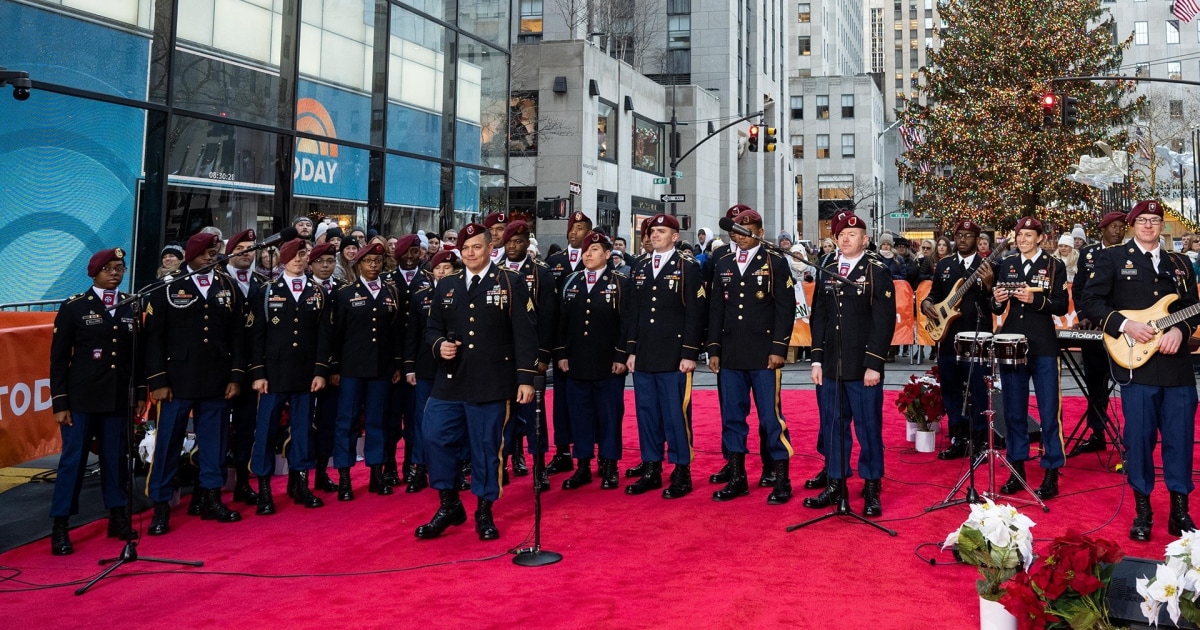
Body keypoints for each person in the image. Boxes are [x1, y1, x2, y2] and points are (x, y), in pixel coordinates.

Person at [1080, 199, 1200, 541]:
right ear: (1133, 224)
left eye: (1155, 220)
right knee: (1139, 440)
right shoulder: (1112, 257)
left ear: (1162, 226)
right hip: (1136, 365)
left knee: (1179, 441)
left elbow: (1191, 307)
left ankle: (1180, 511)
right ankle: (1143, 511)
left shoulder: (1179, 263)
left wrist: (1182, 330)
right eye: (1142, 220)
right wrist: (1125, 324)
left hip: (1176, 367)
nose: (1149, 225)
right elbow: (1091, 301)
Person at [416, 222, 537, 540]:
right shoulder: (447, 285)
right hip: (451, 380)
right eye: (465, 248)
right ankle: (449, 503)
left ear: (490, 249)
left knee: (486, 448)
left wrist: (525, 379)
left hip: (492, 382)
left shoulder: (510, 282)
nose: (470, 253)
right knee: (435, 436)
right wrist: (438, 345)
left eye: (477, 247)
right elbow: (432, 329)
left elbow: (525, 334)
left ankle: (484, 510)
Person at [144, 232, 245, 535]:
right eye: (204, 254)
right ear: (190, 256)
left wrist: (236, 375)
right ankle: (161, 505)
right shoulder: (168, 286)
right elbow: (154, 339)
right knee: (168, 444)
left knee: (213, 442)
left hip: (216, 378)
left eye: (214, 253)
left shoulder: (227, 285)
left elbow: (237, 334)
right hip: (177, 381)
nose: (210, 259)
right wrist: (158, 380)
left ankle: (211, 497)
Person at [48, 248, 143, 555]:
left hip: (117, 397)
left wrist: (139, 393)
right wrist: (60, 402)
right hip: (82, 398)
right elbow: (59, 359)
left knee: (115, 459)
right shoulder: (75, 306)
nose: (116, 272)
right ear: (95, 273)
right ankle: (60, 525)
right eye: (110, 268)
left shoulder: (131, 304)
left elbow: (136, 357)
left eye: (120, 268)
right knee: (73, 462)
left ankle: (117, 516)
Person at [803, 213, 894, 516]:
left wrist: (874, 365)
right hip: (831, 365)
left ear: (865, 240)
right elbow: (820, 317)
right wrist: (816, 360)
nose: (845, 238)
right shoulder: (826, 268)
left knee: (869, 429)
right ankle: (835, 482)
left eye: (852, 234)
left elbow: (883, 323)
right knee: (833, 427)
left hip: (863, 366)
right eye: (841, 234)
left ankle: (871, 485)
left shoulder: (876, 271)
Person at [705, 209, 796, 504]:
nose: (739, 235)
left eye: (746, 230)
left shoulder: (775, 261)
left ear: (759, 231)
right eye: (735, 230)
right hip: (731, 354)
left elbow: (785, 309)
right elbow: (716, 309)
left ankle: (781, 479)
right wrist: (714, 349)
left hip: (763, 355)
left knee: (771, 418)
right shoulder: (723, 262)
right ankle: (737, 478)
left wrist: (779, 348)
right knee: (732, 418)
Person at [625, 213, 707, 499]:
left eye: (661, 231)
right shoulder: (640, 266)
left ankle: (681, 470)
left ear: (675, 236)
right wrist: (631, 349)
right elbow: (634, 312)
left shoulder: (688, 266)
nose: (654, 235)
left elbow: (695, 314)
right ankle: (651, 468)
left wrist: (689, 353)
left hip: (674, 355)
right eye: (652, 231)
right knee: (647, 414)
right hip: (646, 353)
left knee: (675, 414)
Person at [989, 216, 1069, 500]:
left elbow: (1061, 305)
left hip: (1043, 344)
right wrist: (997, 299)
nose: (1022, 239)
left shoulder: (1054, 265)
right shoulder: (1007, 264)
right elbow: (997, 308)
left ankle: (1051, 471)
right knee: (1013, 410)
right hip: (1012, 344)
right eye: (1019, 235)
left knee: (1049, 411)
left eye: (1027, 235)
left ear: (1039, 238)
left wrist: (1033, 299)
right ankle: (1017, 467)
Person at [247, 238, 327, 514]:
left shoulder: (317, 292)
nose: (298, 259)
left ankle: (301, 483)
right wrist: (257, 372)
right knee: (266, 430)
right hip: (273, 373)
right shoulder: (268, 291)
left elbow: (323, 337)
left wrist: (320, 371)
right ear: (283, 259)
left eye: (302, 254)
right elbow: (257, 335)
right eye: (292, 254)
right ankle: (265, 489)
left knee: (303, 430)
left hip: (305, 374)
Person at [320, 242, 404, 500]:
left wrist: (397, 364)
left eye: (378, 262)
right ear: (358, 265)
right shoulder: (345, 294)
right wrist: (333, 367)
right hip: (351, 369)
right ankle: (344, 476)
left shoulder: (391, 292)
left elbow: (396, 332)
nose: (373, 266)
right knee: (347, 422)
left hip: (381, 368)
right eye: (368, 262)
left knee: (377, 421)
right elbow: (335, 334)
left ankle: (376, 474)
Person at [556, 231, 634, 491]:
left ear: (608, 255)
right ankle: (583, 467)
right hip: (577, 362)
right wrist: (562, 354)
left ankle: (609, 464)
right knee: (580, 416)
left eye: (595, 250)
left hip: (608, 364)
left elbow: (628, 323)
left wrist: (622, 356)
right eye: (586, 251)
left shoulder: (622, 283)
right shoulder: (571, 281)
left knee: (610, 415)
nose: (588, 255)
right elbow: (561, 322)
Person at [920, 219, 994, 460]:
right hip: (948, 336)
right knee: (951, 389)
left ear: (977, 239)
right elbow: (933, 295)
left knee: (978, 390)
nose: (962, 239)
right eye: (959, 235)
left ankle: (981, 439)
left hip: (976, 336)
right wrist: (926, 304)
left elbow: (997, 304)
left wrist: (990, 283)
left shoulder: (988, 265)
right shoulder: (944, 265)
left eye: (968, 235)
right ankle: (958, 437)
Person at [499, 220, 557, 490]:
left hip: (531, 356)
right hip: (500, 357)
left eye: (518, 242)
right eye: (509, 242)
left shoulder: (541, 273)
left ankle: (539, 467)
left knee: (534, 414)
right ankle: (504, 463)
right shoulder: (495, 272)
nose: (513, 246)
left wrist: (543, 357)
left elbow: (548, 318)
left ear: (527, 244)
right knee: (502, 414)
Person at [404, 249, 462, 493]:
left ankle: (456, 470)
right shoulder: (420, 297)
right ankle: (418, 468)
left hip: (457, 367)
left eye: (446, 268)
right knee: (421, 421)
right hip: (426, 367)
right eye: (438, 268)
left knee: (455, 423)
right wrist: (409, 367)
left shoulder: (463, 293)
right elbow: (412, 335)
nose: (441, 271)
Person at [1069, 212, 1126, 456]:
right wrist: (1084, 316)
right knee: (1094, 380)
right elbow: (1080, 289)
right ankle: (1097, 433)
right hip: (1091, 325)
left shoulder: (1128, 252)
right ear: (1103, 229)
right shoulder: (1088, 253)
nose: (1118, 231)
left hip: (1120, 326)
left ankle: (1132, 435)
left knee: (1127, 379)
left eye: (1122, 227)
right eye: (1113, 227)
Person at [544, 210, 594, 475]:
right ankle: (563, 451)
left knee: (585, 402)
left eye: (581, 229)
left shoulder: (595, 260)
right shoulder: (554, 261)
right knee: (561, 401)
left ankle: (586, 454)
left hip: (588, 344)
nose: (574, 233)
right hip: (561, 342)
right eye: (572, 229)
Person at [384, 234, 431, 488]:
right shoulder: (385, 281)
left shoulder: (428, 281)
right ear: (397, 255)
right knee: (391, 418)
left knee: (416, 419)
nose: (411, 257)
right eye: (407, 253)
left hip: (418, 361)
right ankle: (389, 466)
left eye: (416, 252)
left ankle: (414, 466)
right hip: (391, 360)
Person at [225, 229, 267, 508]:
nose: (247, 253)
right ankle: (209, 489)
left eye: (251, 248)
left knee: (245, 426)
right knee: (215, 428)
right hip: (221, 365)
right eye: (241, 248)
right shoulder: (219, 280)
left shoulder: (262, 283)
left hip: (251, 364)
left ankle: (242, 481)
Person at [307, 241, 343, 492]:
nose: (326, 266)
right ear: (311, 265)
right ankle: (298, 479)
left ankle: (321, 472)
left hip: (334, 367)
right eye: (320, 261)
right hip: (304, 367)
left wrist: (336, 367)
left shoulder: (342, 290)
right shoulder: (304, 289)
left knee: (328, 422)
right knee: (302, 423)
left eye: (330, 261)